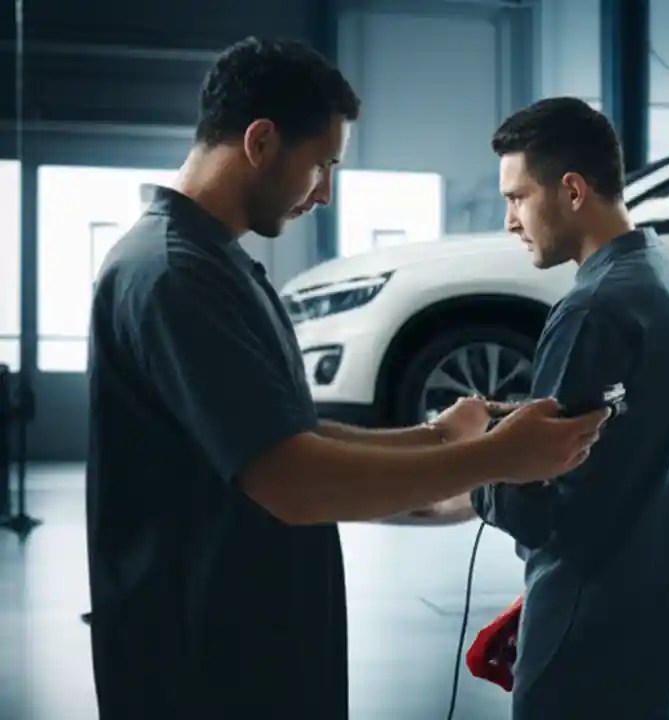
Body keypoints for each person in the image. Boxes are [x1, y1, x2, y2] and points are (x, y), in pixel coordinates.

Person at [85, 39, 608, 720]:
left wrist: (436, 438)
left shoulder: (213, 265)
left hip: (245, 652)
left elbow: (290, 437)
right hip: (205, 669)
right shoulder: (174, 275)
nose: (325, 193)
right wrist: (500, 458)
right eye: (323, 164)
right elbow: (292, 483)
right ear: (261, 141)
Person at [423, 97, 669, 719]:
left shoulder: (595, 309)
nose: (510, 220)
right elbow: (637, 445)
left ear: (571, 190)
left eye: (516, 198)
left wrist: (477, 462)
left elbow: (548, 512)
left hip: (593, 627)